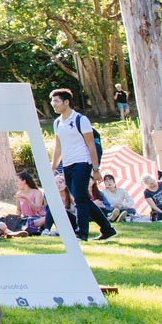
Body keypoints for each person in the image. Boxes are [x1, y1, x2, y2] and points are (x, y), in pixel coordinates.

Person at [49, 88, 117, 241]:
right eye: (52, 102)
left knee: (79, 198)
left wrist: (95, 169)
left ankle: (81, 233)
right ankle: (107, 229)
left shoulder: (80, 119)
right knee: (81, 198)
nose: (54, 105)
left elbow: (91, 145)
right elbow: (58, 146)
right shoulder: (57, 122)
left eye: (56, 102)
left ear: (66, 102)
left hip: (82, 161)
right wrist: (53, 166)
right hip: (67, 164)